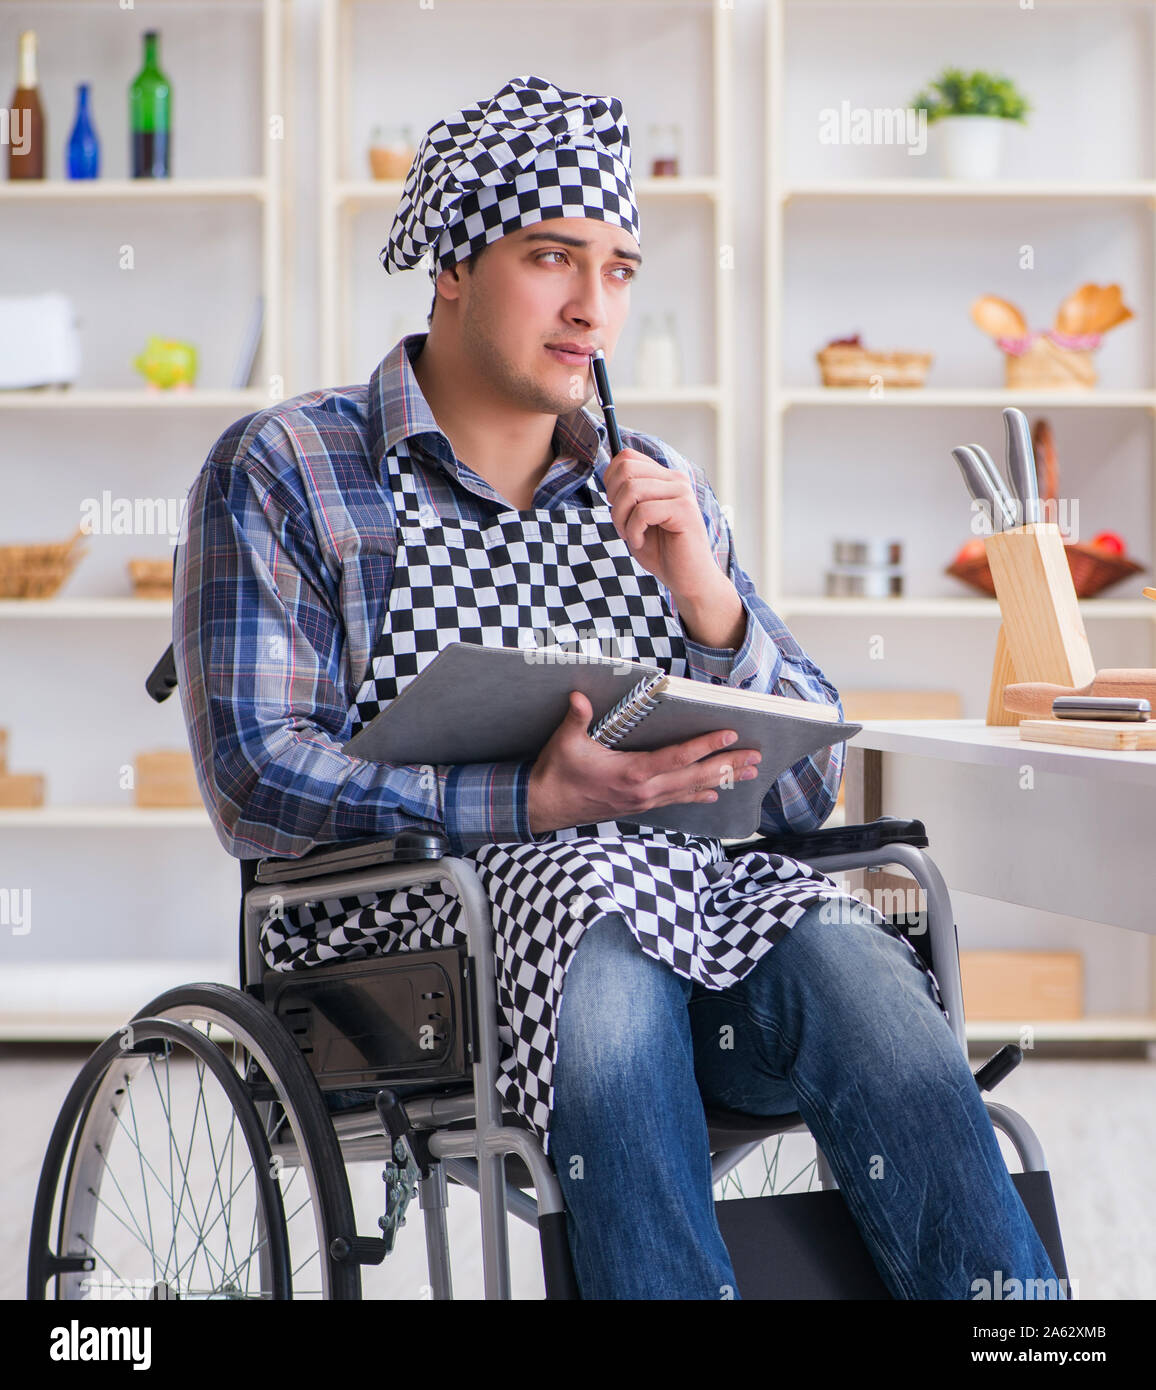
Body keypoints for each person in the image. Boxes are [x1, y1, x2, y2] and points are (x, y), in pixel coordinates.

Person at [174, 74, 1061, 1300]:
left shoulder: (653, 486)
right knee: (590, 896)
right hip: (418, 959)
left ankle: (1017, 1324)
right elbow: (255, 780)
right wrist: (527, 803)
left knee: (851, 955)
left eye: (623, 268)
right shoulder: (291, 466)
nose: (595, 306)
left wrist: (712, 606)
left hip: (690, 939)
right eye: (554, 257)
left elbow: (804, 797)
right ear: (452, 266)